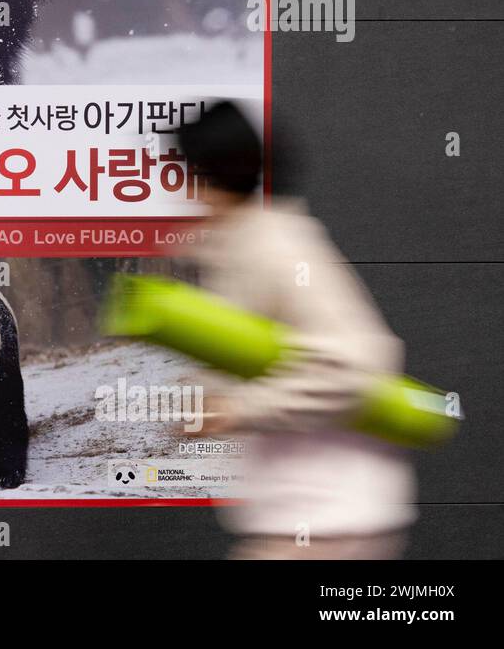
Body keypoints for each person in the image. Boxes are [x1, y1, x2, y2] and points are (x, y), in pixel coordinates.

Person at [176, 101, 415, 560]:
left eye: (188, 171)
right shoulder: (240, 247)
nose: (184, 187)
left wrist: (238, 408)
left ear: (209, 172)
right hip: (301, 516)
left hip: (328, 519)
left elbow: (357, 365)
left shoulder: (279, 248)